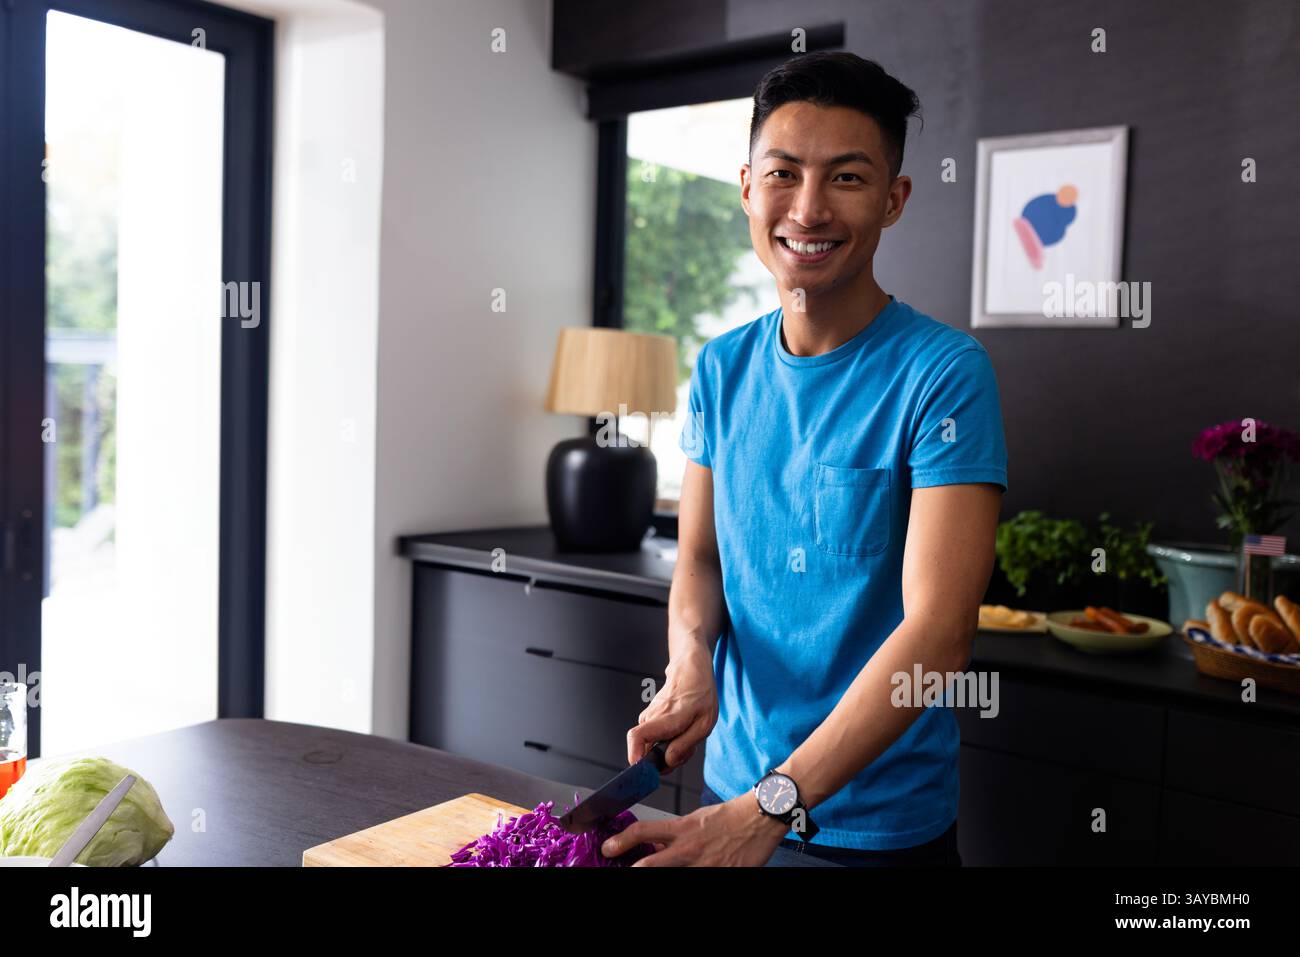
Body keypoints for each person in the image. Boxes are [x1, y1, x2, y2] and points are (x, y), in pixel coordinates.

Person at [599, 51, 1008, 867]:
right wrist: (689, 665)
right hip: (725, 804)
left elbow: (940, 640)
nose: (809, 208)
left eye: (848, 178)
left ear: (894, 200)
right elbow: (702, 559)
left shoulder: (944, 375)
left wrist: (773, 805)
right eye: (783, 173)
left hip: (873, 833)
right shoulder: (720, 368)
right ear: (748, 186)